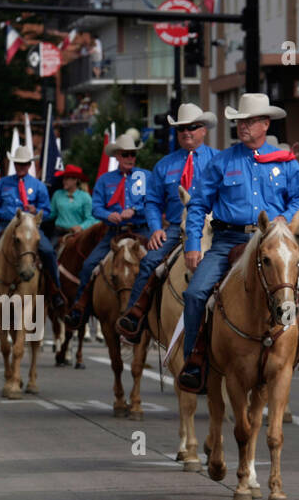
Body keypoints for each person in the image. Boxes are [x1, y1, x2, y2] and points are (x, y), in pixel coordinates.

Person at [177, 92, 299, 394]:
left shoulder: (285, 162)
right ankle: (195, 362)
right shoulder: (221, 162)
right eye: (240, 121)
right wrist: (193, 243)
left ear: (265, 123)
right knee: (195, 294)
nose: (243, 126)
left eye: (250, 121)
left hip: (274, 241)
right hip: (228, 240)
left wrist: (284, 219)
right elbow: (197, 205)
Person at [117, 103, 218, 340]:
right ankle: (135, 315)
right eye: (182, 128)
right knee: (150, 262)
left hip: (213, 228)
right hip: (176, 228)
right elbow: (152, 201)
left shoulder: (219, 160)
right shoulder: (164, 165)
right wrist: (154, 230)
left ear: (203, 129)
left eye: (192, 127)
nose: (187, 132)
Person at [64, 131, 153, 328]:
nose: (130, 158)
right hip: (114, 232)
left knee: (158, 265)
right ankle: (81, 308)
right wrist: (108, 215)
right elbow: (96, 208)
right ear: (117, 156)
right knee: (89, 265)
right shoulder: (105, 180)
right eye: (125, 154)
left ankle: (156, 311)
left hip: (141, 231)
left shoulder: (145, 176)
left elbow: (154, 202)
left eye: (132, 154)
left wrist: (135, 209)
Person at [0, 143, 67, 311]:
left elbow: (48, 211)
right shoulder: (3, 183)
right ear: (14, 164)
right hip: (4, 224)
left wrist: (35, 210)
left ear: (29, 165)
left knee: (49, 252)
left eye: (24, 164)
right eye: (18, 163)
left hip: (30, 227)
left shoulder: (39, 186)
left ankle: (55, 291)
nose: (21, 167)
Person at [50, 164, 96, 243]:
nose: (64, 181)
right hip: (58, 233)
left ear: (75, 180)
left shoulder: (85, 197)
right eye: (64, 178)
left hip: (77, 234)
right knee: (49, 253)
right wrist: (38, 215)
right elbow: (51, 213)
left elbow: (91, 218)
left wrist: (81, 227)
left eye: (67, 178)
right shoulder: (57, 194)